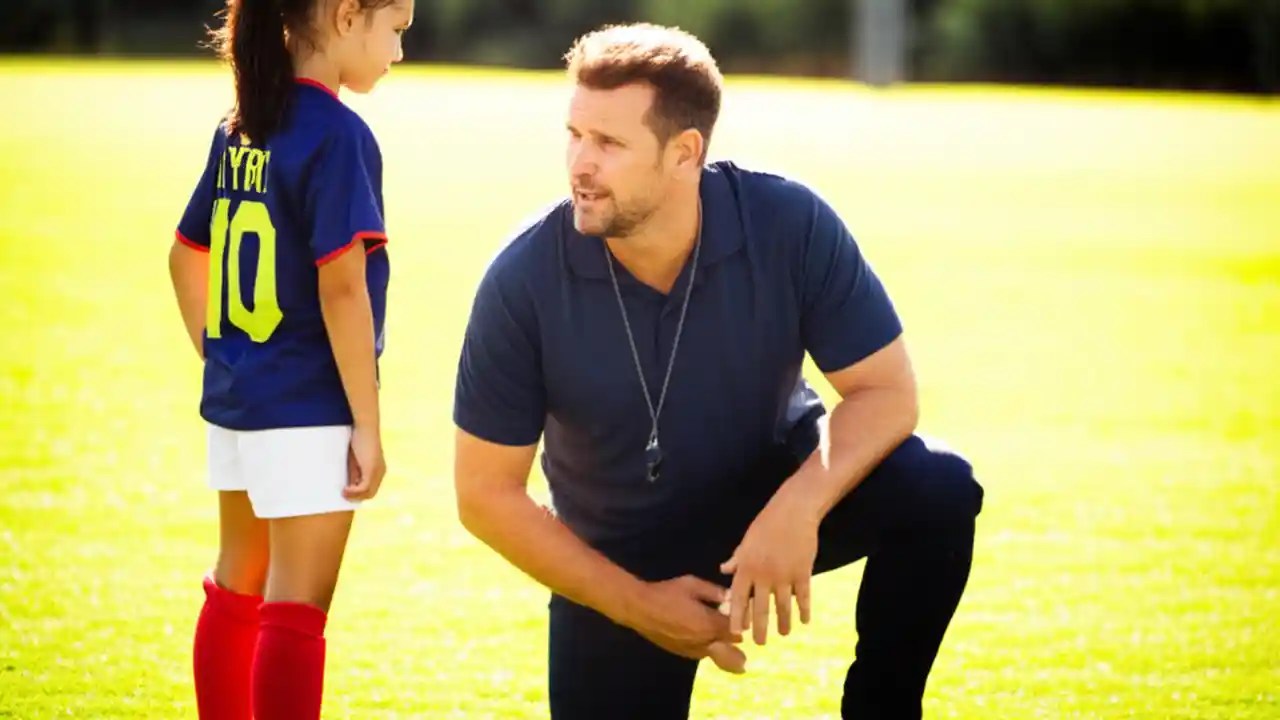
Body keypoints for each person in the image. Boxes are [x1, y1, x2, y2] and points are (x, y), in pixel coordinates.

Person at [452, 22, 984, 720]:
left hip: (769, 490)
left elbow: (886, 392)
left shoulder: (786, 222)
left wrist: (798, 508)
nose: (580, 163)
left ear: (685, 153)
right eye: (574, 134)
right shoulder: (522, 279)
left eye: (609, 144)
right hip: (623, 556)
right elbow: (485, 494)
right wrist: (639, 606)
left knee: (938, 488)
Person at [167, 1, 412, 717]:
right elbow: (342, 288)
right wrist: (366, 425)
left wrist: (229, 359)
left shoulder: (242, 126)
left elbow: (185, 258)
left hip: (242, 406)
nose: (399, 52)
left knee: (237, 584)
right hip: (309, 408)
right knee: (295, 610)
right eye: (396, 29)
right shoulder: (339, 135)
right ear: (345, 17)